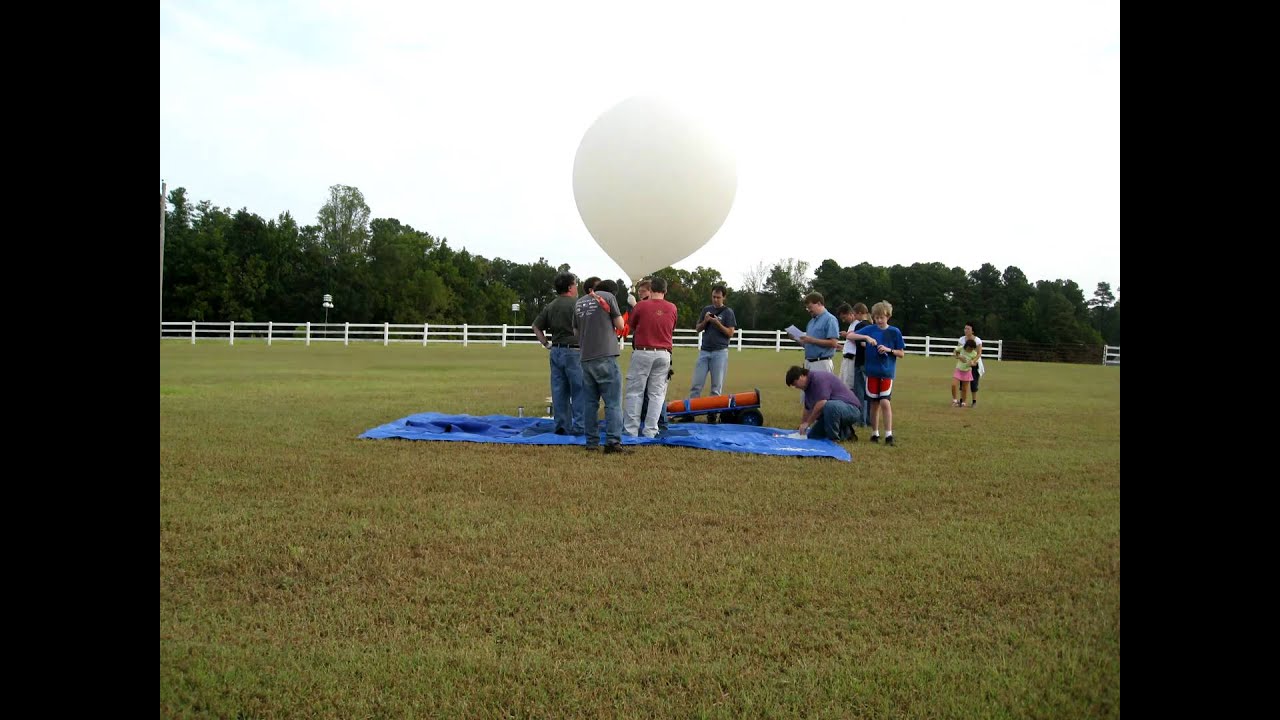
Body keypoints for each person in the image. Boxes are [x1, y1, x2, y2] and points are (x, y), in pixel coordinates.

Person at [573, 279, 630, 454]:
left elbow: (575, 331)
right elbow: (620, 325)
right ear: (613, 292)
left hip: (585, 357)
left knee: (590, 403)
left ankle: (591, 442)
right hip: (605, 355)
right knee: (612, 403)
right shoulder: (608, 297)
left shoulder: (579, 302)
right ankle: (612, 442)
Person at [531, 271, 584, 435]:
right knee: (579, 389)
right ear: (570, 287)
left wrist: (546, 344)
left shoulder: (551, 306)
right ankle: (581, 426)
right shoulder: (578, 304)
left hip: (556, 351)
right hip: (575, 351)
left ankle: (562, 425)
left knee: (559, 390)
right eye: (575, 284)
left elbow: (536, 326)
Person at [623, 276, 677, 437]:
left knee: (635, 392)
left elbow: (631, 325)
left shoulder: (641, 306)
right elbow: (672, 327)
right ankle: (651, 430)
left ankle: (631, 430)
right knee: (657, 394)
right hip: (664, 353)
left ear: (651, 289)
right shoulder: (672, 307)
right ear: (665, 290)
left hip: (643, 351)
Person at [687, 284, 737, 423]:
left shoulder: (728, 312)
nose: (715, 299)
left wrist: (717, 323)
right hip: (704, 351)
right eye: (713, 297)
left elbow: (730, 333)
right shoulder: (706, 310)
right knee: (696, 384)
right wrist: (706, 321)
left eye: (718, 297)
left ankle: (712, 414)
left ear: (724, 297)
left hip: (720, 352)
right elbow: (698, 329)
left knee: (716, 387)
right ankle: (690, 413)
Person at [861, 300, 905, 446]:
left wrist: (889, 350)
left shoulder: (894, 332)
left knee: (885, 402)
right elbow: (850, 336)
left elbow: (901, 353)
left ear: (888, 316)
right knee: (874, 404)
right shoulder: (870, 329)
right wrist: (866, 338)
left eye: (882, 317)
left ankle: (888, 434)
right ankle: (874, 433)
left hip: (886, 373)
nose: (879, 320)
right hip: (871, 372)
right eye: (876, 317)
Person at [784, 366, 861, 441]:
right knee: (813, 435)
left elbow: (822, 402)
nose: (796, 387)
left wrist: (807, 423)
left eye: (795, 384)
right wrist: (802, 425)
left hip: (852, 409)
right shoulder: (807, 388)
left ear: (801, 376)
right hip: (835, 411)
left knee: (829, 406)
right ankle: (846, 432)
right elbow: (807, 408)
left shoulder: (819, 378)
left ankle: (833, 438)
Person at [836, 302, 872, 428]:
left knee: (858, 391)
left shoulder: (860, 325)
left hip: (856, 360)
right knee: (857, 389)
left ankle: (860, 418)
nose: (844, 320)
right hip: (851, 359)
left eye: (845, 317)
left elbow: (861, 342)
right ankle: (863, 418)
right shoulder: (858, 324)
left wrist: (849, 336)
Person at [957, 323, 984, 407]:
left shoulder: (977, 340)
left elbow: (979, 353)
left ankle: (974, 401)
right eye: (965, 328)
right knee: (962, 382)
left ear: (972, 331)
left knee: (974, 382)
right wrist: (960, 357)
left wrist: (973, 361)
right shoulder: (961, 340)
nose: (966, 330)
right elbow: (958, 351)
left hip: (974, 364)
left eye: (968, 329)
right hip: (963, 364)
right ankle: (962, 400)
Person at [951, 337, 979, 407]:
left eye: (972, 349)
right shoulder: (961, 348)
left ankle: (963, 402)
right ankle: (955, 400)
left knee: (964, 388)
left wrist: (972, 363)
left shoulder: (974, 353)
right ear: (967, 346)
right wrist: (959, 357)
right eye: (970, 348)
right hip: (958, 369)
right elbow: (954, 352)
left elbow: (975, 363)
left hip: (967, 371)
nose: (970, 350)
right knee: (954, 385)